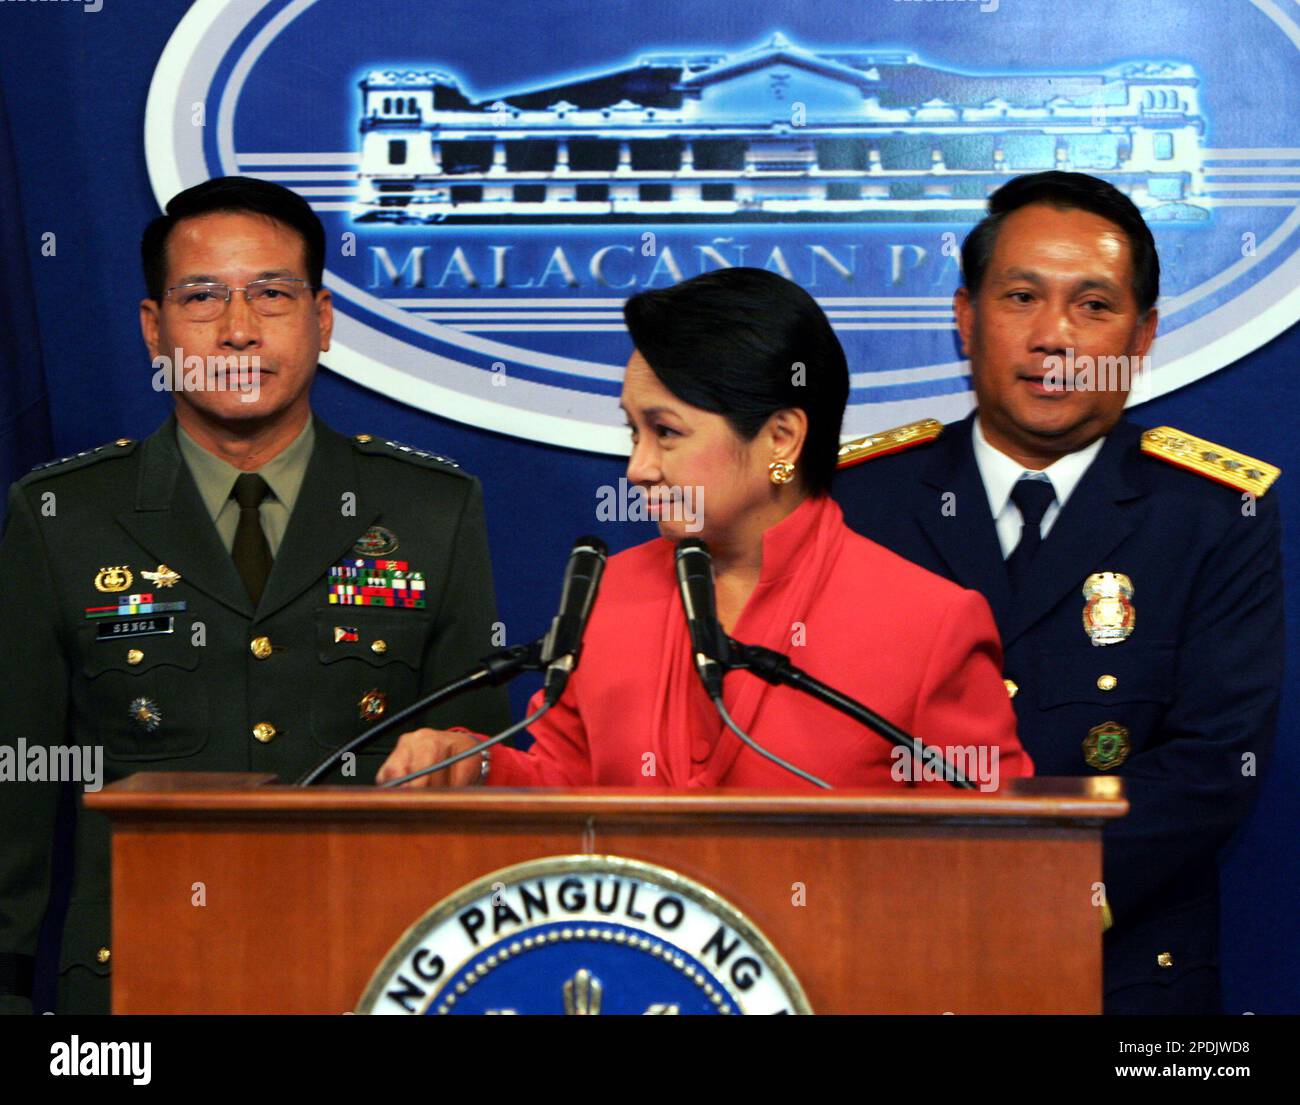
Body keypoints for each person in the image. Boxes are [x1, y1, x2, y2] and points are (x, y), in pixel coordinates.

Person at [0, 176, 509, 1014]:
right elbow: (15, 798)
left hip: (373, 973)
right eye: (202, 298)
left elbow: (480, 765)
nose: (238, 330)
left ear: (324, 320)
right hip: (138, 988)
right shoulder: (61, 517)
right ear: (154, 330)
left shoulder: (431, 510)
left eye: (272, 294)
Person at [834, 171, 1283, 1014]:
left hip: (1126, 977)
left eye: (1094, 306)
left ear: (1142, 334)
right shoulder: (859, 504)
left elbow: (1213, 764)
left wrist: (1030, 901)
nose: (1055, 337)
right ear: (965, 318)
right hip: (889, 955)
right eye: (1021, 296)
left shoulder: (1214, 514)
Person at [377, 267, 1032, 791]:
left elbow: (990, 862)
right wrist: (475, 761)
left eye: (666, 432)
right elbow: (563, 785)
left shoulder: (929, 623)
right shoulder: (608, 593)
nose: (637, 469)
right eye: (633, 430)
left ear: (782, 438)